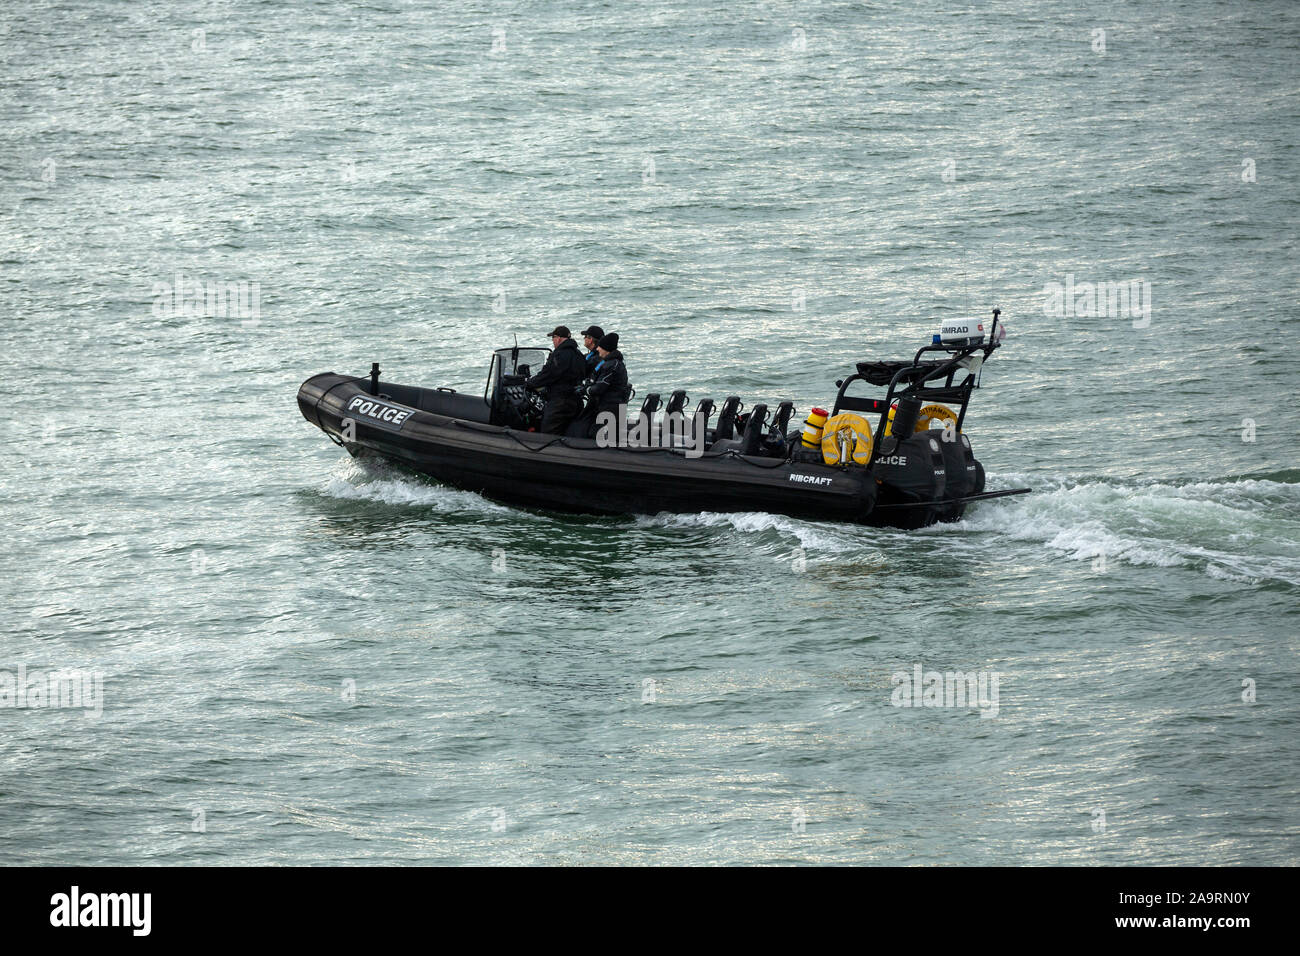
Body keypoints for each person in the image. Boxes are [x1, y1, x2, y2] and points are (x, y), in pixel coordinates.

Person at [525, 325, 587, 434]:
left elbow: (547, 375)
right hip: (576, 401)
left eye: (553, 338)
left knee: (547, 432)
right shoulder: (579, 354)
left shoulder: (559, 355)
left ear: (558, 338)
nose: (553, 341)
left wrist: (529, 383)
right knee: (569, 431)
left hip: (560, 403)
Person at [572, 332, 632, 439]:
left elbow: (600, 387)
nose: (598, 349)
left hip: (610, 408)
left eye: (600, 347)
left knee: (593, 434)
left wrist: (585, 391)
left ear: (606, 349)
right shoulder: (609, 363)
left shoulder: (612, 365)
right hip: (606, 406)